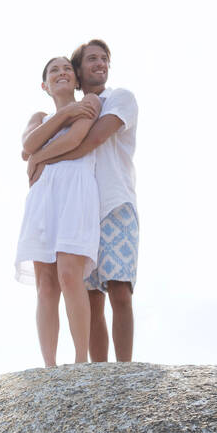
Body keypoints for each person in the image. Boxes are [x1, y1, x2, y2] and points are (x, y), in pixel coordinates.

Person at [26, 39, 138, 362]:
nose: (100, 64)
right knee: (90, 298)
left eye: (104, 59)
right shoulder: (74, 108)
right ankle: (97, 375)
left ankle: (124, 371)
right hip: (80, 208)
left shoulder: (117, 99)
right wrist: (36, 155)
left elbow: (90, 141)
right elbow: (27, 145)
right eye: (91, 59)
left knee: (119, 290)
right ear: (79, 70)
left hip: (115, 203)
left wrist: (41, 158)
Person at [14, 56, 102, 366]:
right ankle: (49, 366)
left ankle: (80, 361)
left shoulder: (89, 101)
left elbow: (75, 139)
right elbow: (28, 144)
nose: (61, 72)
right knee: (46, 282)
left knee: (68, 273)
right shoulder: (39, 115)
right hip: (43, 197)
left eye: (66, 68)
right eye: (54, 70)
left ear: (76, 79)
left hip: (76, 190)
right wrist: (66, 113)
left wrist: (39, 159)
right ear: (45, 84)